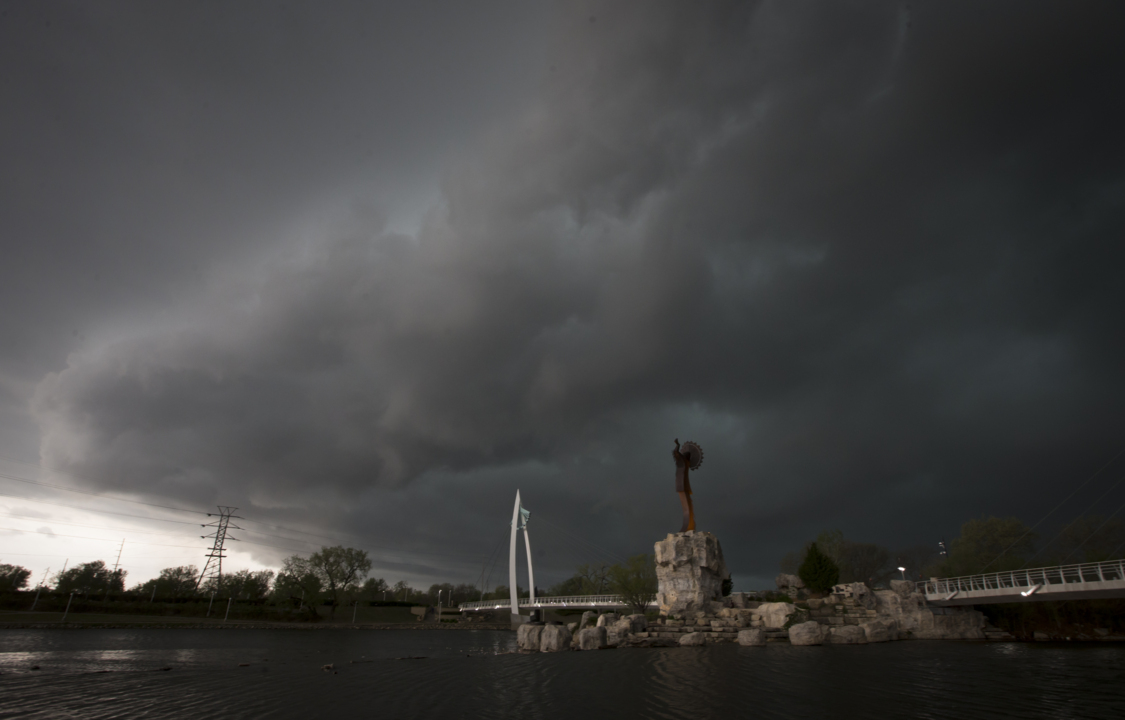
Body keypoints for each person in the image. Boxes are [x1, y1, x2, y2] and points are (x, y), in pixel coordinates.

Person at [672, 438, 695, 532]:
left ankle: (689, 526)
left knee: (688, 505)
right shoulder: (683, 462)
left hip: (683, 485)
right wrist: (677, 446)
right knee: (686, 505)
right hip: (682, 485)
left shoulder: (684, 462)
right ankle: (688, 525)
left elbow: (676, 454)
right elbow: (676, 454)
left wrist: (678, 446)